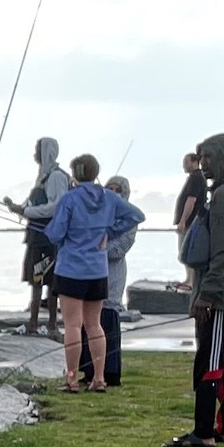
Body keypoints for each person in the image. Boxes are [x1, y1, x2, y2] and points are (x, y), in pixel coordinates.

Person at [168, 132, 224, 447]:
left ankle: (205, 432)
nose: (204, 164)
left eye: (209, 157)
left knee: (210, 360)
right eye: (201, 157)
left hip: (220, 296)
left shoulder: (223, 197)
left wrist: (206, 295)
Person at [46, 155, 146, 393]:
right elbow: (136, 216)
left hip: (71, 269)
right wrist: (109, 232)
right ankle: (99, 379)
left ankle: (71, 379)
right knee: (94, 325)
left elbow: (55, 234)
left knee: (72, 325)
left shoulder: (69, 200)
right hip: (98, 270)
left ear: (75, 174)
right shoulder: (109, 197)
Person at [5, 136, 69, 336]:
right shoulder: (43, 176)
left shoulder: (56, 177)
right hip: (36, 237)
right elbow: (32, 206)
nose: (34, 154)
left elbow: (54, 207)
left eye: (37, 150)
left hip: (47, 238)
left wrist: (27, 212)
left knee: (47, 282)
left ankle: (50, 324)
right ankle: (33, 322)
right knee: (36, 281)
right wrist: (16, 208)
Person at [81, 172, 139, 385]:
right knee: (88, 319)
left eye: (117, 191)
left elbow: (121, 248)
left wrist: (99, 249)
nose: (113, 194)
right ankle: (88, 370)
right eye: (110, 189)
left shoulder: (128, 218)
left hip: (113, 274)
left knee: (108, 318)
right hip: (91, 272)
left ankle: (110, 372)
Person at [174, 150, 209, 294]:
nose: (184, 165)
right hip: (192, 221)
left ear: (195, 162)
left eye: (186, 162)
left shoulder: (196, 178)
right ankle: (189, 279)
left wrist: (183, 221)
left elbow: (191, 200)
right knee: (185, 250)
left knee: (186, 250)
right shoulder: (196, 177)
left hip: (191, 222)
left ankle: (191, 281)